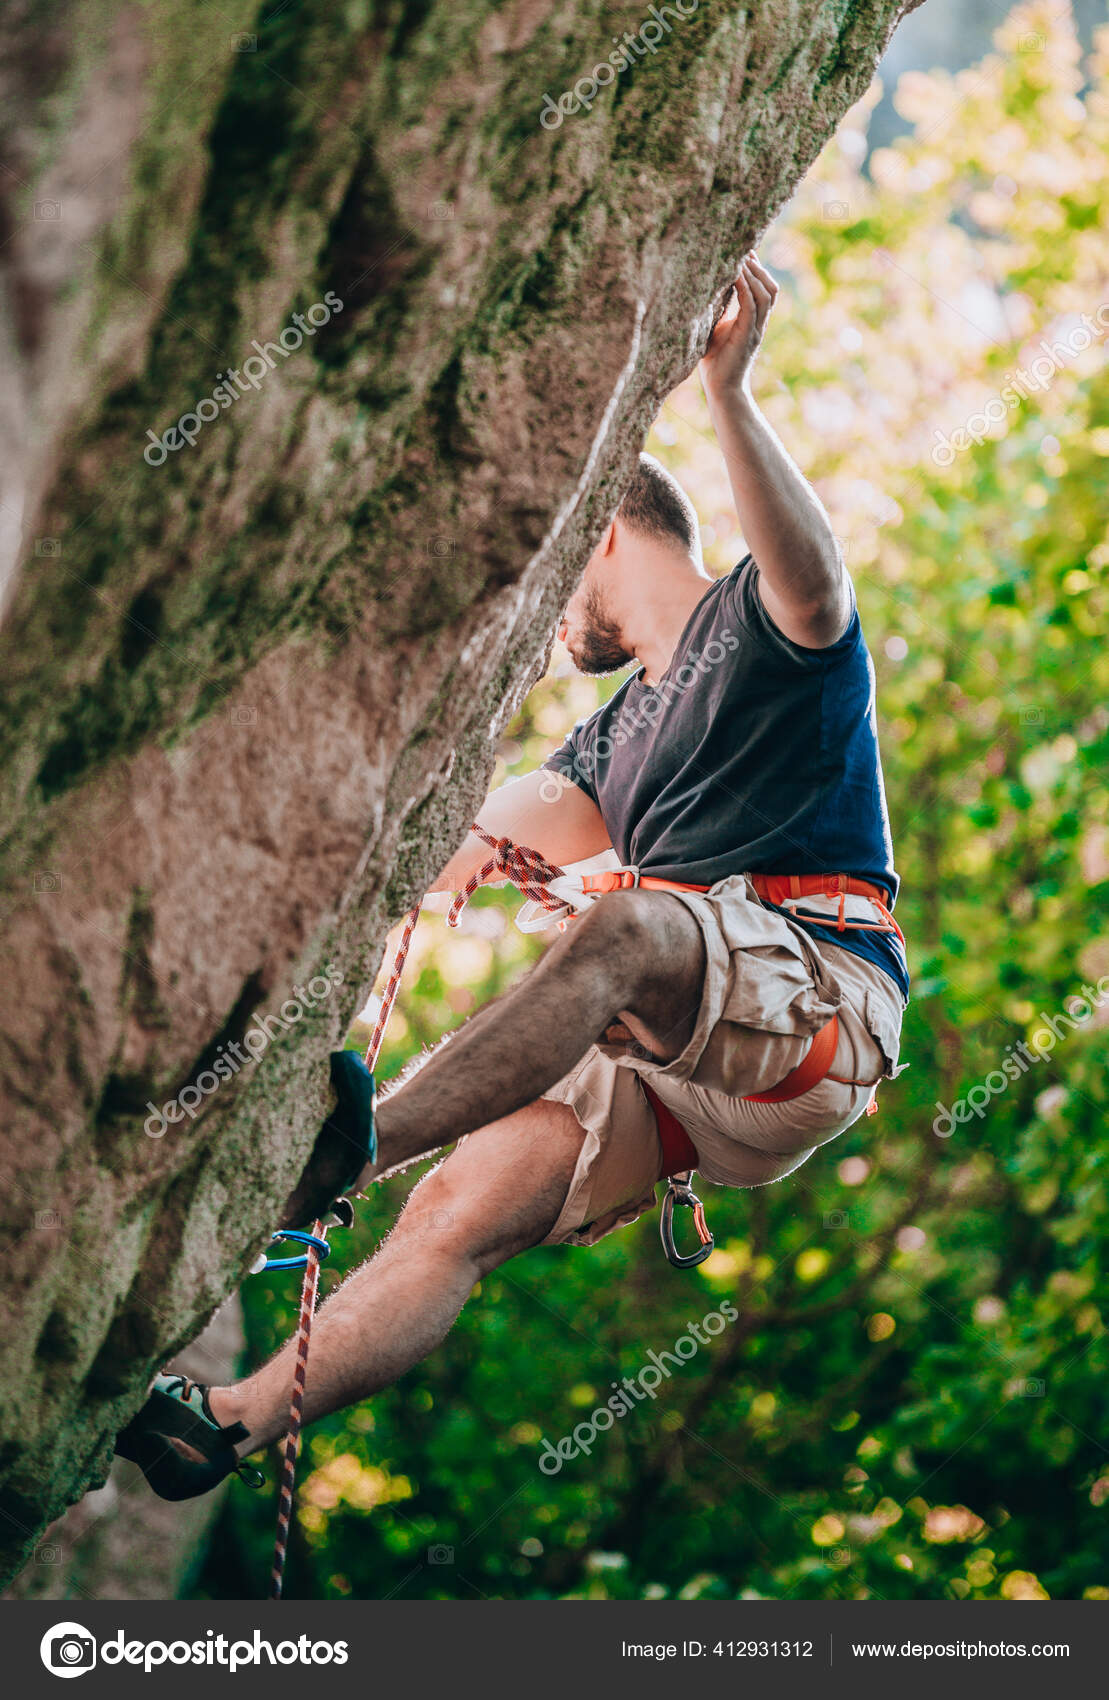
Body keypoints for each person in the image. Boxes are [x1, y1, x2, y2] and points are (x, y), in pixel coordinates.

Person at [117, 253, 908, 1499]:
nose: (548, 632)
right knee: (459, 1208)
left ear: (603, 528)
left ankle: (345, 1149)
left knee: (632, 932)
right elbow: (471, 831)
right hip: (689, 1072)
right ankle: (220, 1424)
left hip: (815, 1008)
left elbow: (820, 585)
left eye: (552, 593)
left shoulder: (760, 630)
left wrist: (727, 395)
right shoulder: (603, 742)